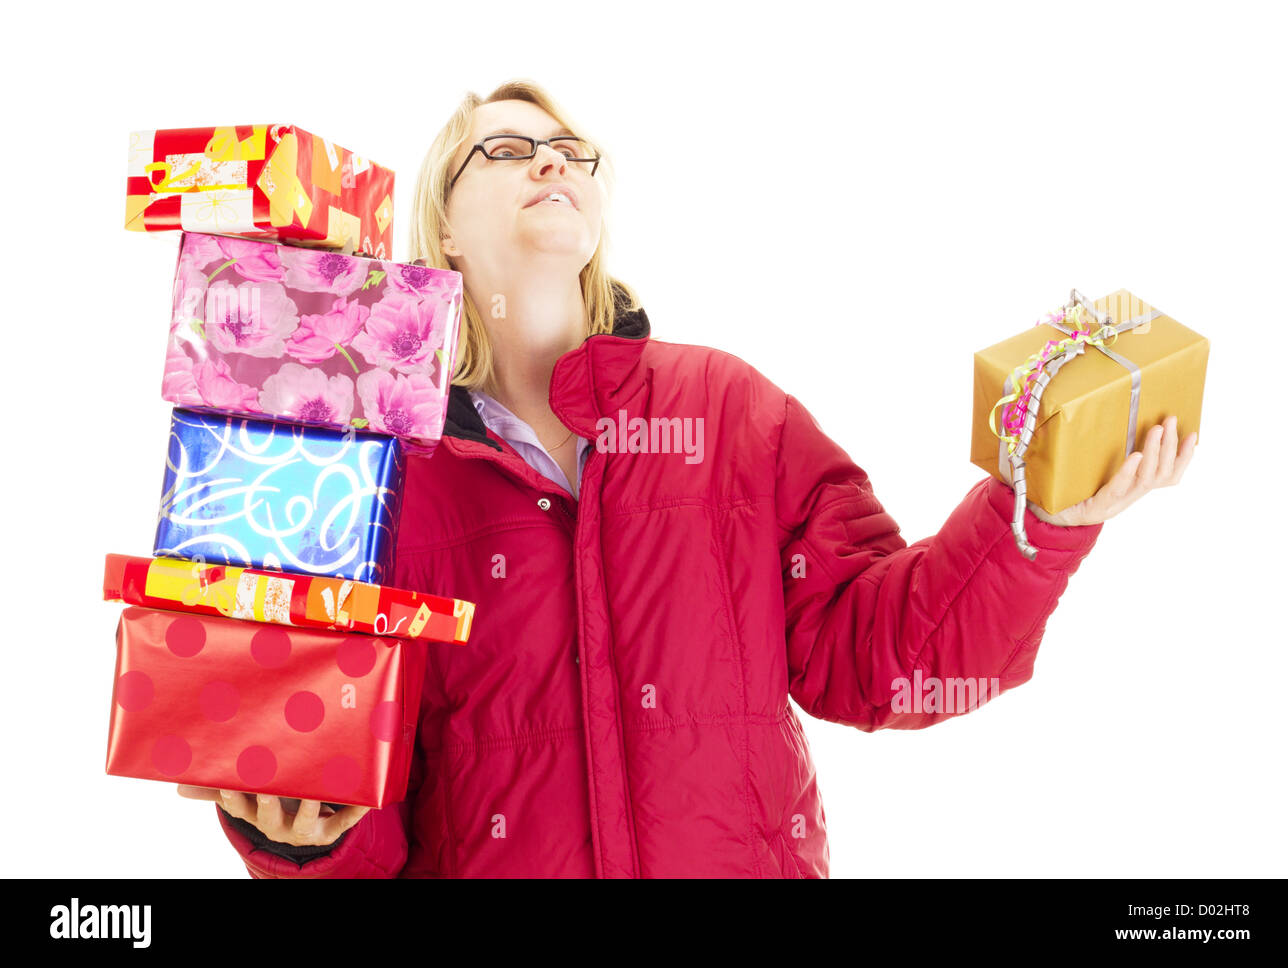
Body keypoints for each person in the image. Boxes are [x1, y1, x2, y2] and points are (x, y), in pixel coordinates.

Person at [178, 79, 1197, 878]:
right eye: (508, 147)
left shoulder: (728, 410)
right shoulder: (370, 474)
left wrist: (1040, 520)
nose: (552, 163)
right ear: (442, 223)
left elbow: (884, 656)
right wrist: (299, 836)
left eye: (572, 151)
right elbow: (362, 820)